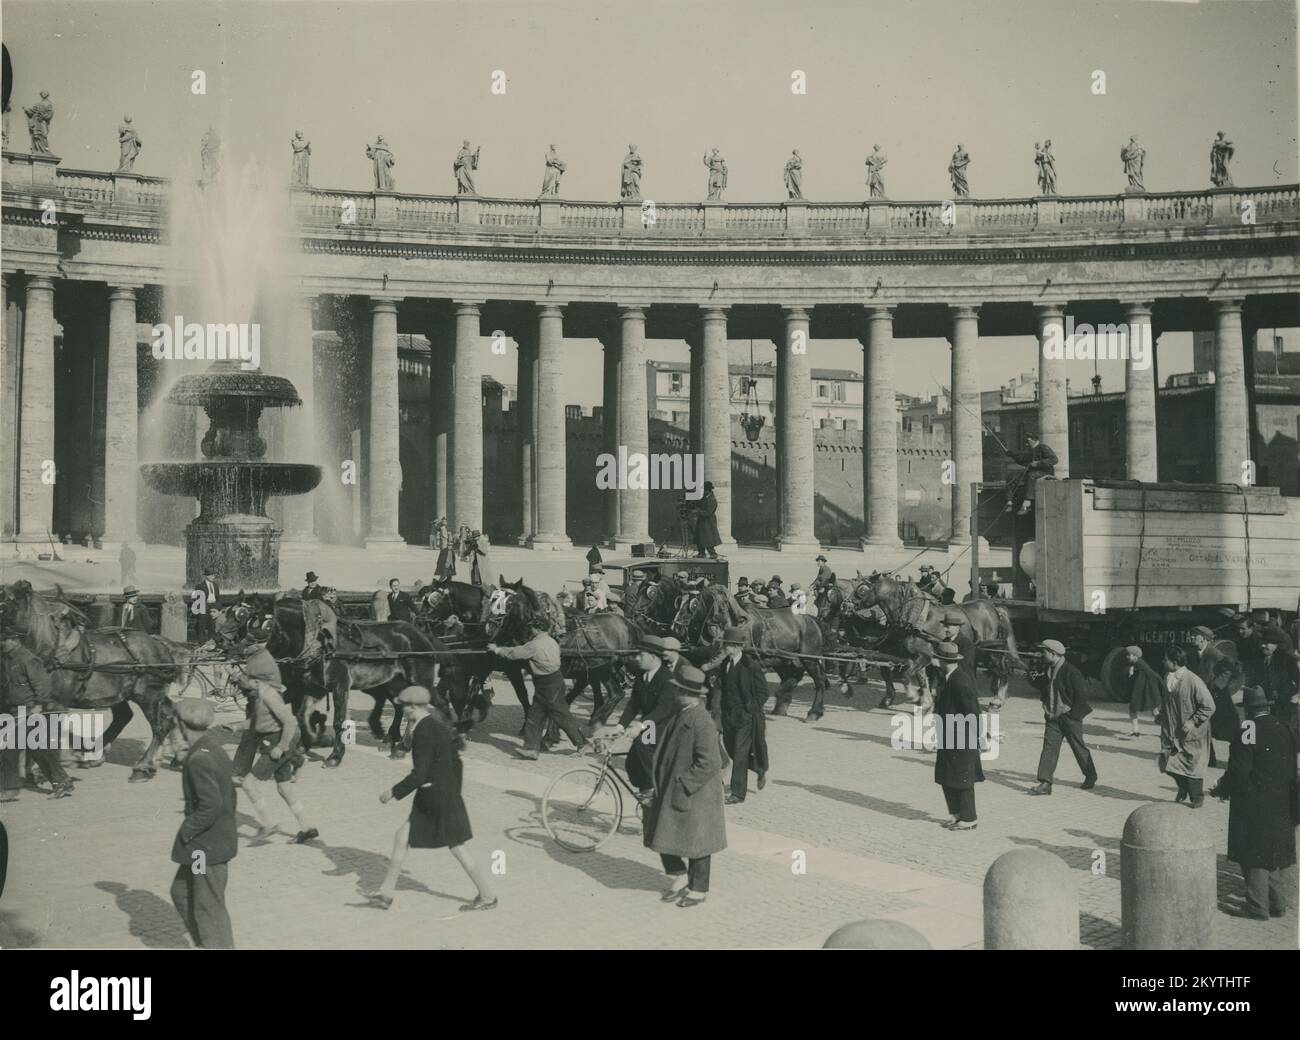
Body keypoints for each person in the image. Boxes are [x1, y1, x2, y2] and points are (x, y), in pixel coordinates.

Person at [367, 687, 498, 911]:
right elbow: (457, 762)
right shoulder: (435, 725)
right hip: (438, 795)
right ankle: (386, 893)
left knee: (456, 846)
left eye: (406, 707)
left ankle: (487, 895)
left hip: (435, 797)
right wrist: (453, 792)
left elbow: (420, 774)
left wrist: (393, 792)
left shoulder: (424, 731)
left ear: (415, 707)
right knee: (405, 838)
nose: (403, 710)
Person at [1211, 685, 1297, 920]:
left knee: (1253, 852)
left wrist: (1222, 788)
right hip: (1282, 800)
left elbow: (1239, 771)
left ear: (1248, 710)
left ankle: (1257, 906)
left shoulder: (1248, 728)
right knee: (1275, 851)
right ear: (1266, 706)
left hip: (1253, 801)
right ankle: (1277, 903)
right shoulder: (1284, 728)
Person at [643, 664, 726, 907]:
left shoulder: (701, 721)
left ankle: (698, 889)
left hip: (695, 793)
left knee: (699, 842)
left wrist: (684, 783)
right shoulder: (683, 713)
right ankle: (679, 875)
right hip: (675, 787)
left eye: (678, 690)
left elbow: (711, 761)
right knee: (663, 831)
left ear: (688, 694)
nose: (674, 694)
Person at [228, 634, 317, 843]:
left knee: (249, 784)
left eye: (246, 679)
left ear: (256, 679)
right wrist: (235, 726)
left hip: (278, 741)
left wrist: (282, 747)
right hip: (277, 738)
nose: (243, 683)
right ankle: (307, 827)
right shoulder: (260, 694)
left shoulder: (268, 695)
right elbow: (259, 722)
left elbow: (290, 722)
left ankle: (268, 825)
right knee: (284, 787)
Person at [169, 698, 237, 949]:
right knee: (181, 892)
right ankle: (208, 944)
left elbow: (210, 806)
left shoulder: (199, 759)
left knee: (207, 905)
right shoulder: (213, 747)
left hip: (203, 848)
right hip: (208, 844)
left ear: (181, 725)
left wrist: (187, 831)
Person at [490, 617, 588, 760]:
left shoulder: (534, 645)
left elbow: (515, 653)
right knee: (534, 715)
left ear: (537, 629)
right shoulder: (552, 641)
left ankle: (582, 744)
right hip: (552, 681)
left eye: (532, 628)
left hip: (548, 685)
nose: (530, 630)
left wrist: (497, 649)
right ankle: (531, 749)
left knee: (561, 715)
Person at [0, 630, 74, 801]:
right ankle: (62, 781)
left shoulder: (28, 659)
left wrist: (38, 707)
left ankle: (9, 788)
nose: (1, 645)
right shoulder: (8, 659)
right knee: (36, 749)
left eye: (4, 641)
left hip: (29, 710)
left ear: (14, 640)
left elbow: (43, 685)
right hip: (14, 710)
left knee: (14, 749)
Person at [1028, 639, 1097, 795]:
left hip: (1069, 717)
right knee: (1049, 749)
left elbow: (1082, 696)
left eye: (1043, 652)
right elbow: (1041, 686)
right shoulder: (1048, 668)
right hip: (1052, 717)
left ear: (1053, 654)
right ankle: (1045, 783)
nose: (1041, 655)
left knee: (1079, 748)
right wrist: (1032, 672)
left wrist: (1073, 716)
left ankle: (1090, 775)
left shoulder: (1071, 671)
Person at [613, 635, 676, 799]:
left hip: (666, 725)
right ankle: (645, 790)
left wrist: (640, 725)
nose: (637, 658)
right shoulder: (642, 677)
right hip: (651, 725)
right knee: (632, 762)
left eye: (641, 655)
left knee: (643, 745)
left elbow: (663, 710)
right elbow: (634, 704)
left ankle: (656, 788)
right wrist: (620, 726)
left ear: (653, 657)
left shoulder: (667, 679)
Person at [932, 641, 984, 831]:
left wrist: (978, 736)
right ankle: (956, 814)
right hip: (948, 736)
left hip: (961, 737)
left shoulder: (959, 680)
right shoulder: (947, 677)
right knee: (947, 775)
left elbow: (972, 710)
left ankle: (969, 818)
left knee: (962, 777)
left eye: (936, 658)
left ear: (942, 660)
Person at [1158, 644, 1216, 808]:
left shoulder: (1193, 680)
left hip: (1192, 732)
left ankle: (1197, 799)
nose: (1163, 661)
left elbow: (1209, 706)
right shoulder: (1167, 677)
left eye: (1166, 659)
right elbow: (1168, 700)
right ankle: (1183, 788)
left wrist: (1192, 721)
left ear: (1175, 662)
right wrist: (1160, 710)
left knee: (1193, 766)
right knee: (1168, 762)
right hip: (1172, 730)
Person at [717, 626, 769, 804]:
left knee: (739, 753)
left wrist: (750, 709)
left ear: (738, 647)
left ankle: (737, 793)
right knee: (732, 751)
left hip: (745, 718)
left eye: (729, 645)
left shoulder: (751, 665)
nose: (725, 648)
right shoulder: (725, 664)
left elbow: (764, 693)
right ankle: (758, 768)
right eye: (725, 644)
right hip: (729, 716)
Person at [1007, 433, 1057, 515]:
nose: (1026, 443)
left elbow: (1054, 459)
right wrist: (1011, 454)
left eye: (1028, 441)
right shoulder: (1031, 450)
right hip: (1033, 472)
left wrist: (1038, 463)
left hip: (1045, 473)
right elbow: (1022, 459)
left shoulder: (1043, 447)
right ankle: (1009, 502)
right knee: (1011, 477)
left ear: (1035, 440)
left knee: (1031, 475)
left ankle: (1027, 503)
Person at [1120, 645, 1163, 739]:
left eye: (1129, 655)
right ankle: (1137, 730)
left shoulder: (1141, 666)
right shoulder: (1137, 665)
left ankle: (1137, 730)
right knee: (1153, 710)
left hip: (1145, 690)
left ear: (1135, 656)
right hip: (1146, 691)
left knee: (1136, 708)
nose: (1127, 657)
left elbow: (1141, 680)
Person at [1208, 657, 1245, 766]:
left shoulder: (1217, 682)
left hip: (1221, 709)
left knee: (1233, 735)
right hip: (1219, 709)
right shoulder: (1217, 683)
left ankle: (1212, 759)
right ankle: (1211, 759)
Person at [1262, 636, 1300, 737]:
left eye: (1267, 643)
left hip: (1286, 700)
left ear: (1276, 645)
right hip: (1270, 701)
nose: (1263, 645)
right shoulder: (1262, 657)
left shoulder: (1286, 659)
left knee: (1289, 730)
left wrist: (1297, 695)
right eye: (1263, 643)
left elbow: (1298, 678)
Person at [692, 482, 722, 559]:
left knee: (708, 538)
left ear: (707, 490)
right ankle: (701, 553)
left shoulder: (711, 499)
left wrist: (697, 511)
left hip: (708, 522)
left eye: (704, 489)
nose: (703, 491)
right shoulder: (706, 497)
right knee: (700, 537)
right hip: (702, 521)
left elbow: (708, 513)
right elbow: (700, 504)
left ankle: (713, 554)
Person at [193, 568, 220, 642]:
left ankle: (211, 643)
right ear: (206, 576)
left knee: (212, 627)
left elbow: (218, 598)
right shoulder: (199, 586)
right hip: (204, 607)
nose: (214, 577)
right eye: (212, 575)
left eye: (214, 575)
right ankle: (201, 643)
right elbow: (196, 599)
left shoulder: (216, 586)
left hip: (213, 607)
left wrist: (217, 608)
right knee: (202, 627)